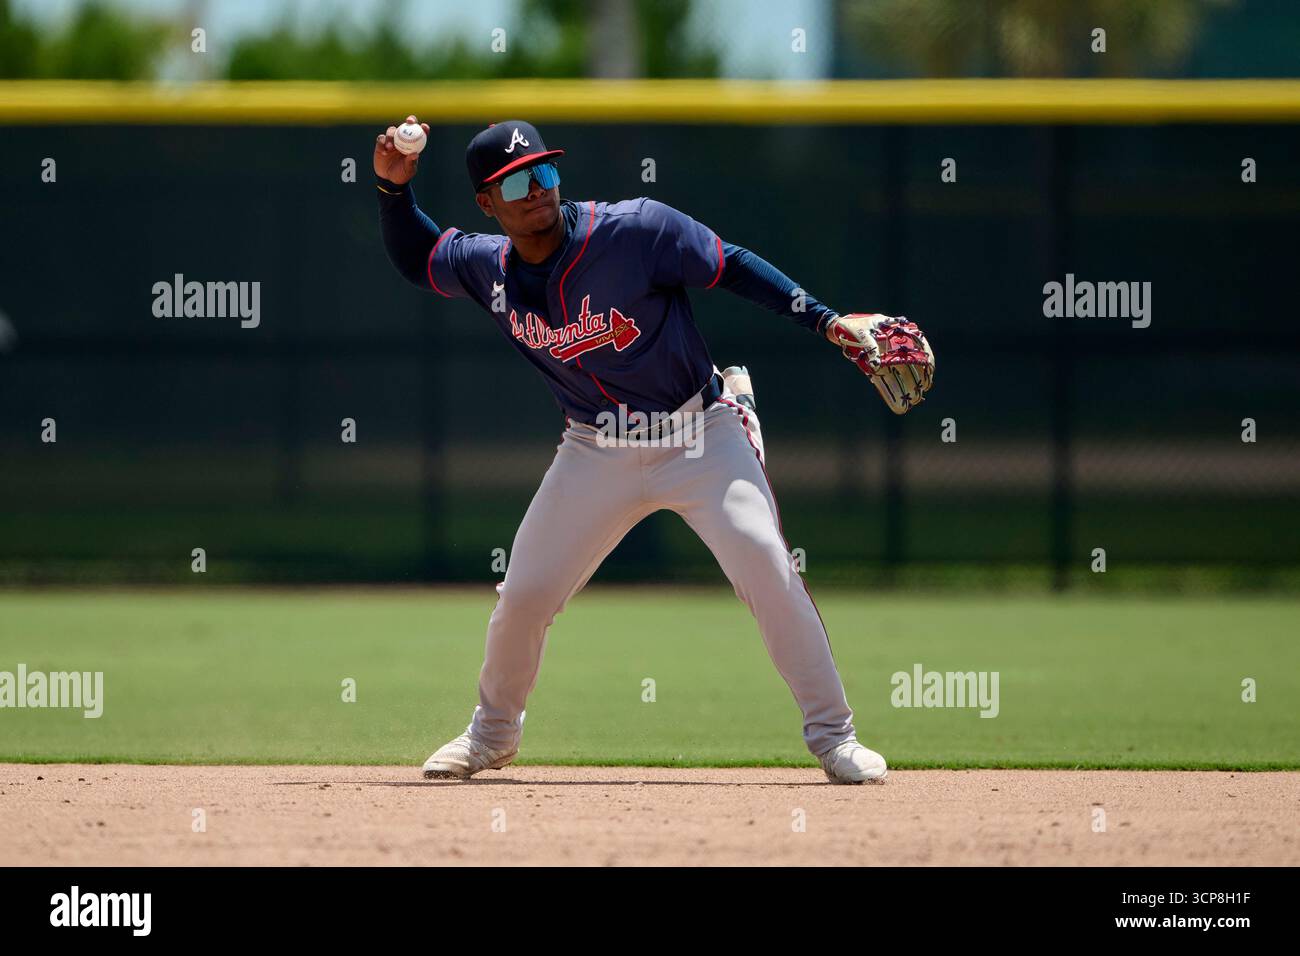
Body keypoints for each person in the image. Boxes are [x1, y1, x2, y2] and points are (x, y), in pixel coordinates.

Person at [374, 117, 934, 784]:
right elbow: (419, 257)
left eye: (545, 171)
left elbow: (731, 265)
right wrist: (391, 188)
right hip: (593, 448)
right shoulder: (485, 265)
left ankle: (835, 736)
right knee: (525, 593)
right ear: (488, 204)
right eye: (516, 181)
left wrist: (824, 318)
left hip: (700, 431)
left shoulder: (636, 230)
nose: (537, 189)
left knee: (765, 565)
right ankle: (491, 736)